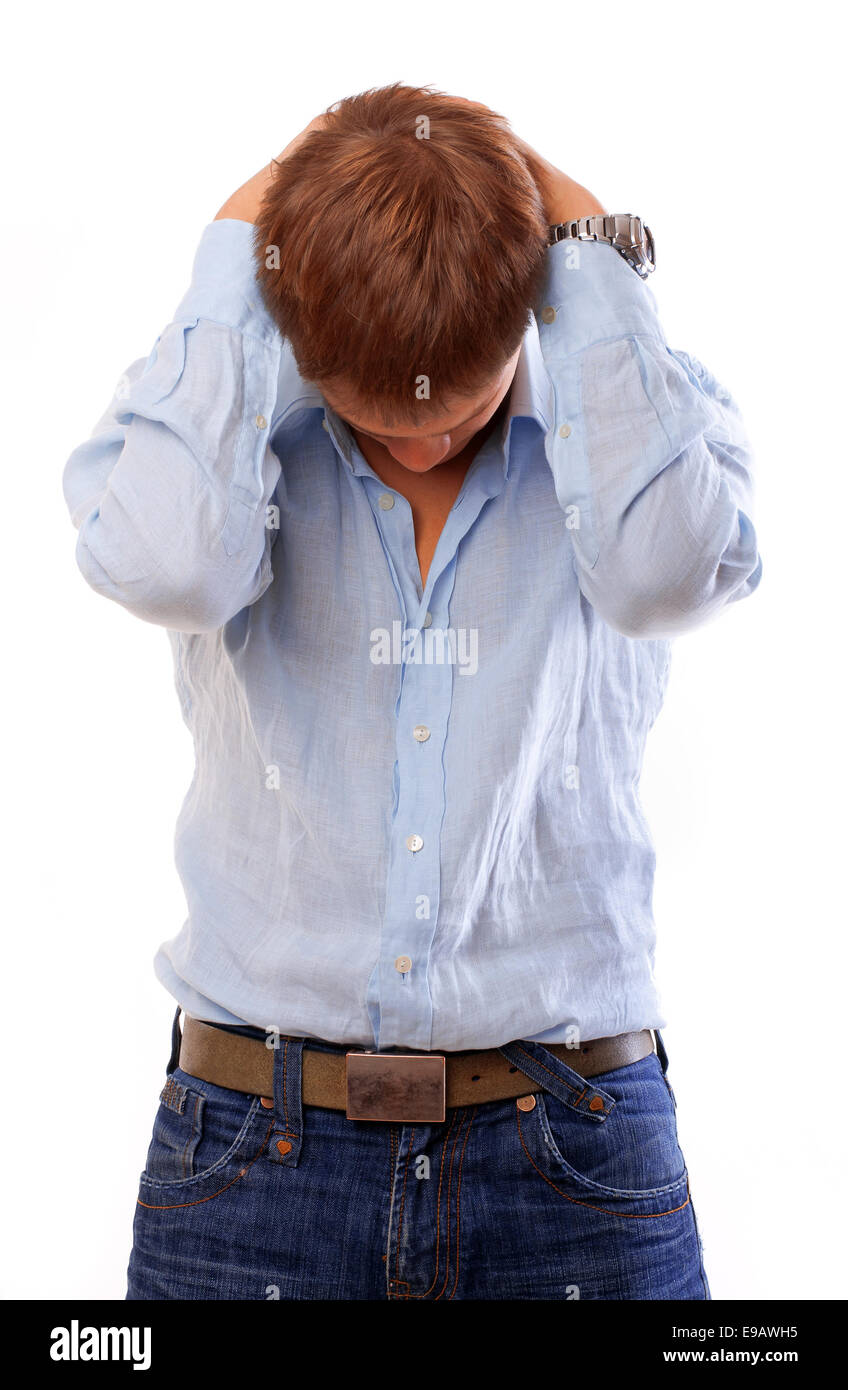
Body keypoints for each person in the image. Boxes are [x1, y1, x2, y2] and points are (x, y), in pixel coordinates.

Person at [62, 83, 762, 1301]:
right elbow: (166, 562)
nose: (427, 439)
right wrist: (242, 247)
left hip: (576, 1146)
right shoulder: (221, 429)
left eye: (466, 393)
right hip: (250, 1158)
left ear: (530, 302)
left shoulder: (633, 420)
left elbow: (662, 576)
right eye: (380, 411)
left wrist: (587, 245)